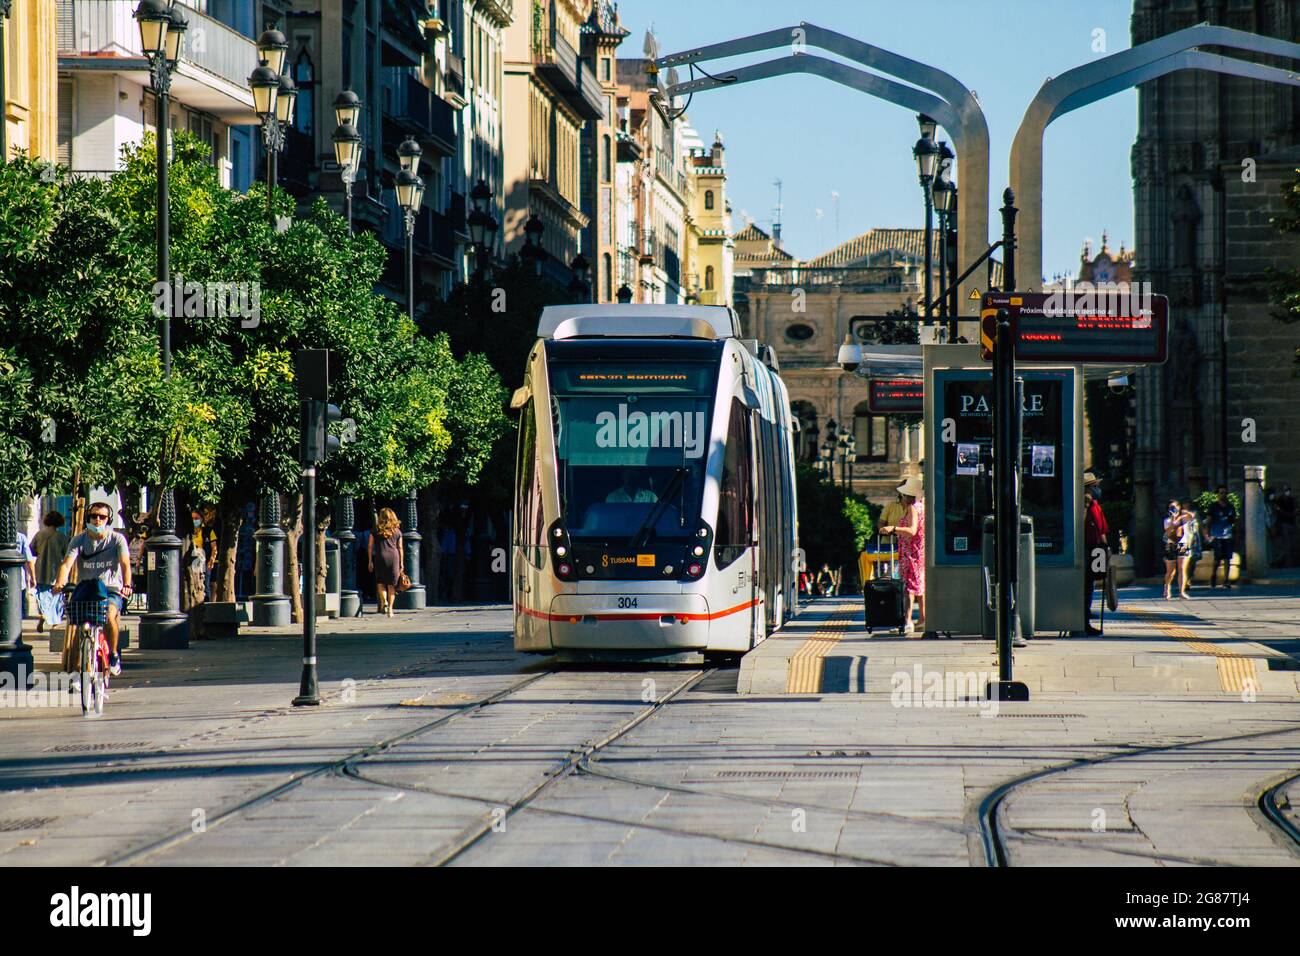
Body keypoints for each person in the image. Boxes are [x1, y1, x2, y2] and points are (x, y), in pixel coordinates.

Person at [52, 500, 133, 680]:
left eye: (102, 517)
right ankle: (80, 670)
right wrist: (59, 582)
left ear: (108, 520)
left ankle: (113, 655)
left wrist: (127, 585)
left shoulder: (117, 539)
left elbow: (125, 564)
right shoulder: (79, 540)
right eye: (93, 516)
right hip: (87, 588)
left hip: (110, 588)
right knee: (79, 624)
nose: (97, 520)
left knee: (109, 615)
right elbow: (66, 565)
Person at [881, 475, 925, 636]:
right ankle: (922, 619)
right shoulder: (922, 507)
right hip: (917, 550)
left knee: (909, 588)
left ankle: (907, 621)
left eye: (904, 494)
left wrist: (893, 529)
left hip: (911, 552)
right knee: (919, 586)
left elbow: (912, 530)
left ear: (908, 495)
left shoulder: (913, 508)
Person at [31, 511, 69, 632]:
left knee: (42, 594)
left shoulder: (39, 535)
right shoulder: (61, 537)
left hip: (41, 569)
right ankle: (55, 622)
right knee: (57, 597)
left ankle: (43, 613)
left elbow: (32, 550)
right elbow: (67, 553)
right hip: (56, 570)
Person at [1083, 472, 1109, 635]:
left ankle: (1085, 618)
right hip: (1088, 549)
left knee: (1091, 583)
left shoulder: (1095, 504)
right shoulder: (1085, 503)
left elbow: (1102, 529)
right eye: (1094, 486)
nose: (1096, 489)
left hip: (1096, 548)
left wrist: (1105, 547)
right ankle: (1083, 621)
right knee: (1086, 585)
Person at [368, 507, 404, 617]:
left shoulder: (375, 530)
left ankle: (384, 602)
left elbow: (370, 546)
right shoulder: (397, 531)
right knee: (391, 585)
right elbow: (400, 548)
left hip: (380, 557)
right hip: (394, 557)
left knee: (380, 583)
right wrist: (402, 562)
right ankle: (390, 610)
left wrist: (370, 561)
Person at [1205, 485, 1237, 588]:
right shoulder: (1213, 507)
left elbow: (1233, 520)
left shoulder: (1230, 507)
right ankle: (1213, 575)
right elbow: (1209, 521)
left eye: (1225, 493)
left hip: (1227, 535)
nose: (1223, 495)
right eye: (1221, 493)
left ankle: (1226, 580)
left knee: (1227, 558)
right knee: (1218, 558)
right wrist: (1208, 534)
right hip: (1216, 535)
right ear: (1217, 494)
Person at [1162, 500, 1194, 599]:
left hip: (1182, 544)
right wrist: (1173, 519)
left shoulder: (1184, 518)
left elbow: (1192, 516)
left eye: (1175, 507)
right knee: (1171, 571)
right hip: (1171, 545)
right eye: (1170, 507)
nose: (1173, 509)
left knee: (1182, 568)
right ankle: (1167, 587)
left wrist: (1184, 512)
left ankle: (1182, 591)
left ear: (1179, 507)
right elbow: (1168, 533)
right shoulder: (1167, 520)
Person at [1278, 485, 1297, 567]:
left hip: (1292, 523)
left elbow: (1295, 509)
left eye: (1288, 490)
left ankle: (1291, 563)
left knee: (1292, 544)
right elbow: (1280, 511)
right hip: (1285, 523)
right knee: (1287, 545)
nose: (1287, 492)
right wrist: (1290, 515)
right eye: (1286, 490)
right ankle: (1287, 563)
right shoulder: (1280, 500)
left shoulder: (1292, 499)